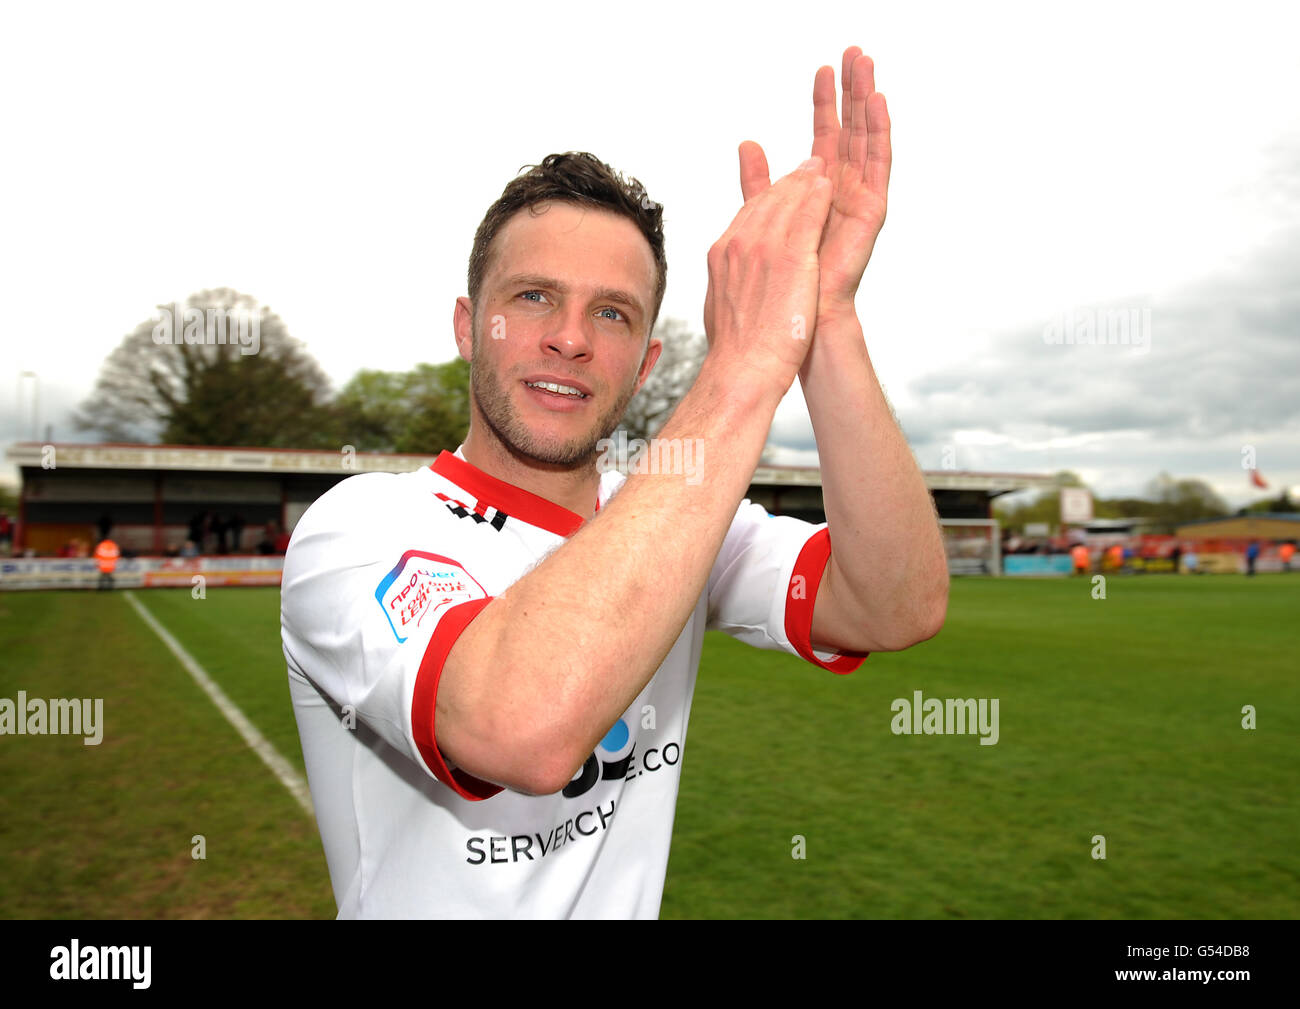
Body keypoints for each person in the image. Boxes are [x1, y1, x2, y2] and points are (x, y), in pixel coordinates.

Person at [282, 47, 946, 919]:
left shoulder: (676, 516)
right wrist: (745, 363)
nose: (569, 339)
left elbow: (896, 603)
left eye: (612, 313)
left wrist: (822, 320)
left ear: (644, 364)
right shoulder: (358, 528)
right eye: (531, 298)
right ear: (466, 327)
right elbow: (519, 726)